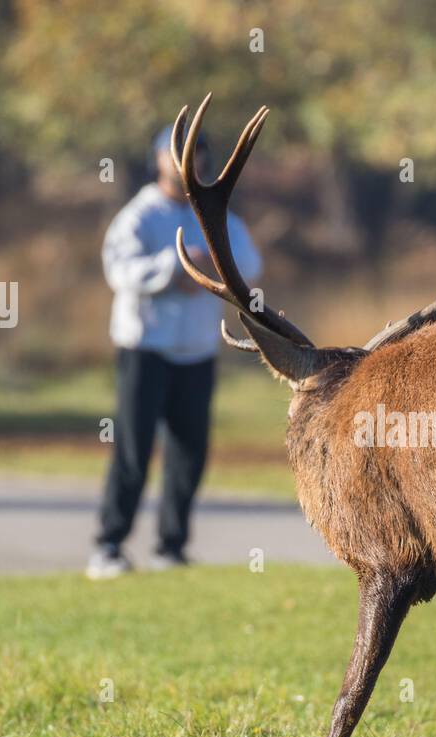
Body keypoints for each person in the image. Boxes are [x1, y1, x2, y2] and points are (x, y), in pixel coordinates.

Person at [86, 124, 261, 579]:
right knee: (133, 448)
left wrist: (206, 271)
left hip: (197, 352)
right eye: (180, 152)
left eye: (200, 152)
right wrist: (176, 268)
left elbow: (249, 265)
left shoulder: (218, 216)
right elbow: (120, 271)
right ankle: (108, 546)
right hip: (146, 350)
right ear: (159, 159)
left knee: (190, 451)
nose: (193, 161)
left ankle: (171, 547)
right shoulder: (139, 217)